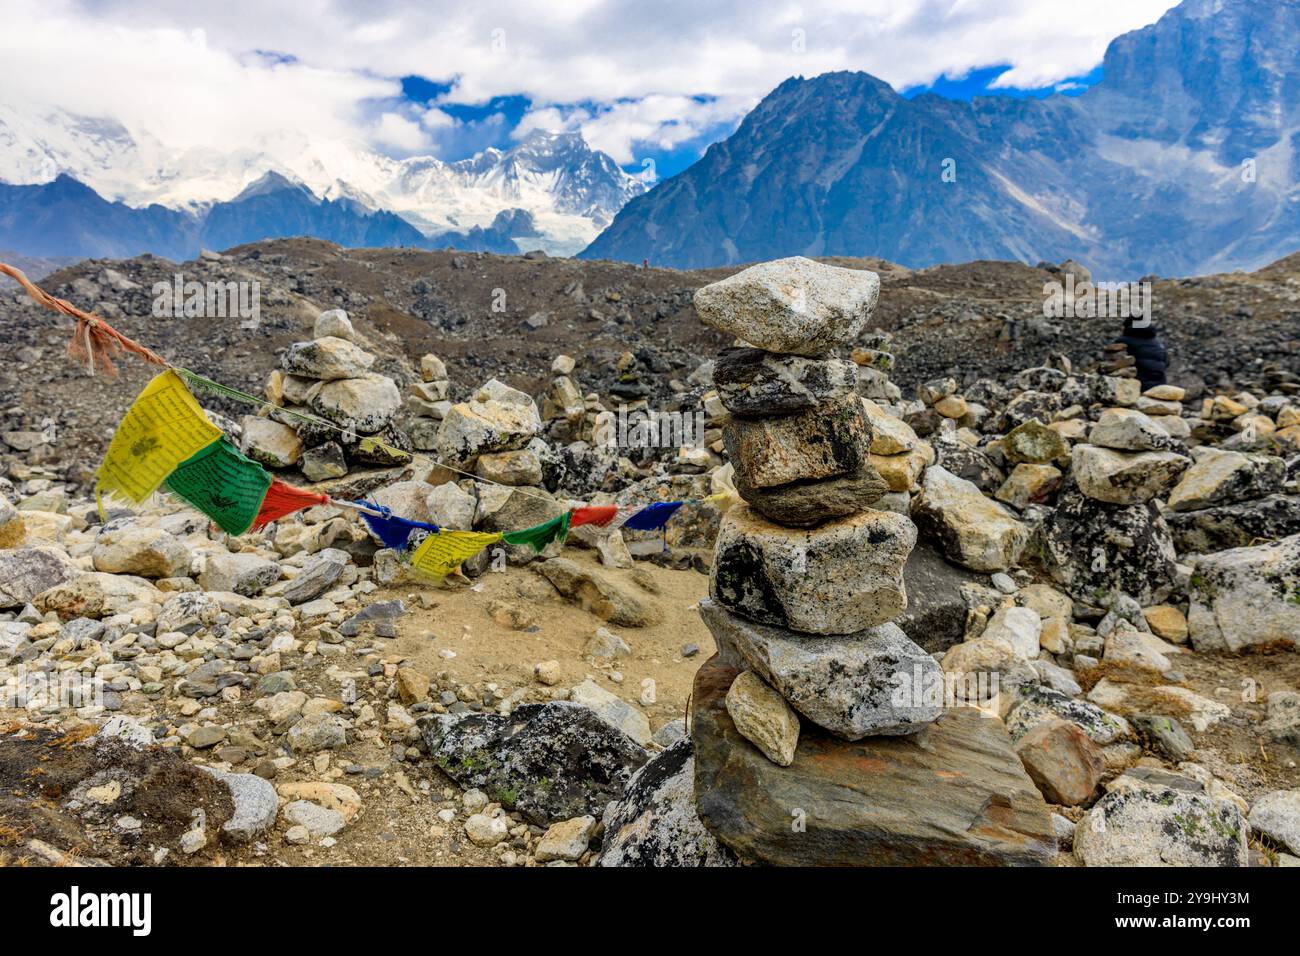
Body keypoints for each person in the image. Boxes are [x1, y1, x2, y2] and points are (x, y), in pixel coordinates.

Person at [1115, 317, 1168, 391]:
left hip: (1138, 385)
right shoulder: (1157, 342)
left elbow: (1115, 364)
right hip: (1160, 384)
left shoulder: (1124, 340)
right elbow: (1166, 362)